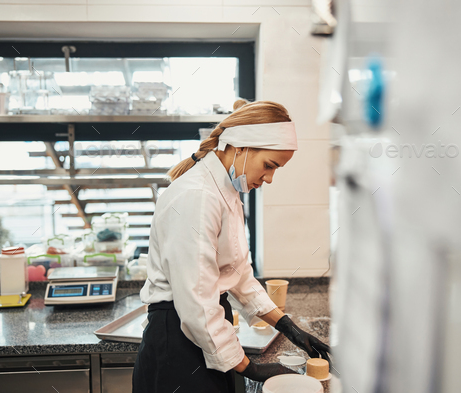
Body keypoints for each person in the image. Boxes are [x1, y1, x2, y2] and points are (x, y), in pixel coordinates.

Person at [132, 100, 331, 393]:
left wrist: (287, 325)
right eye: (269, 165)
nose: (270, 178)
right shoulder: (198, 197)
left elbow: (239, 275)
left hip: (200, 333)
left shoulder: (225, 192)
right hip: (177, 341)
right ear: (241, 147)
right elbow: (197, 303)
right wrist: (248, 367)